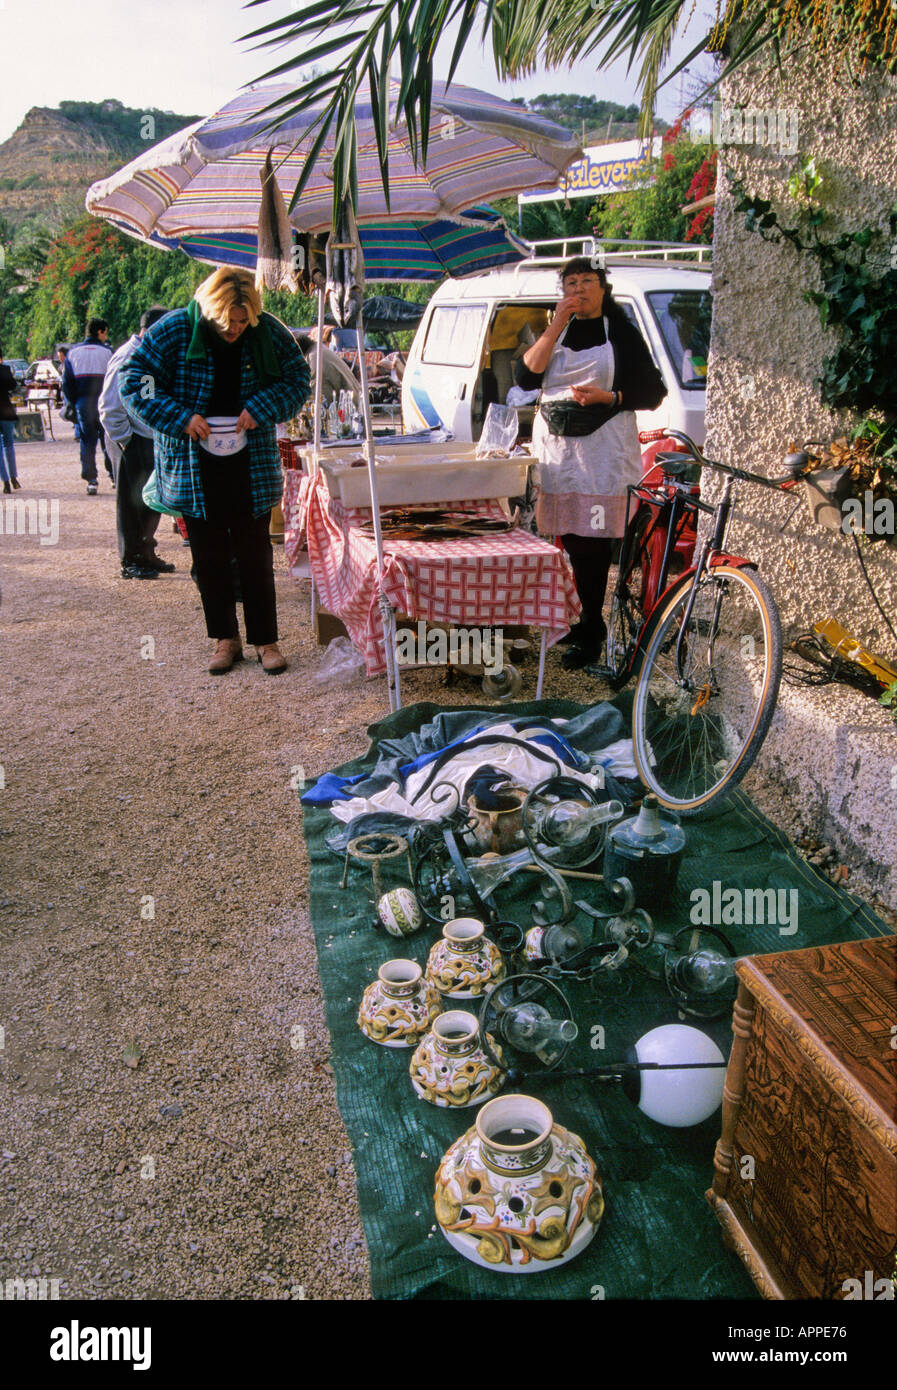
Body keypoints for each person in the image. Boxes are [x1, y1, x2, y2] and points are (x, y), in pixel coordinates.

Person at [119, 268, 311, 675]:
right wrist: (180, 417)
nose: (236, 329)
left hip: (251, 461)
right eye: (228, 322)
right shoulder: (174, 330)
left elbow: (297, 382)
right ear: (210, 310)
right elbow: (136, 382)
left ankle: (266, 641)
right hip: (192, 462)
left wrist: (261, 409)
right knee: (209, 557)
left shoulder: (267, 331)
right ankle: (226, 639)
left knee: (256, 553)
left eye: (243, 321)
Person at [517, 258, 667, 669]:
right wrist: (553, 326)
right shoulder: (554, 329)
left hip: (602, 451)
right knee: (564, 534)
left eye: (587, 281)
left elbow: (654, 391)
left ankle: (591, 626)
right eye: (571, 283)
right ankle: (573, 620)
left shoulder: (619, 331)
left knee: (592, 540)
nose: (579, 289)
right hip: (559, 449)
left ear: (603, 289)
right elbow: (527, 377)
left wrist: (612, 398)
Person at [99, 306, 174, 579]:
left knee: (149, 501)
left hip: (146, 437)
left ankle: (146, 551)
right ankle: (131, 558)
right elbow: (109, 405)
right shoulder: (127, 356)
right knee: (131, 504)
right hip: (130, 439)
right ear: (152, 330)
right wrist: (124, 440)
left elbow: (148, 396)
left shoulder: (148, 355)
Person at [63, 318, 114, 494]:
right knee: (108, 439)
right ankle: (114, 474)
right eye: (105, 332)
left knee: (87, 441)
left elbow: (66, 384)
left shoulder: (73, 352)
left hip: (83, 403)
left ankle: (91, 480)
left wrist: (73, 402)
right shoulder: (108, 352)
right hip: (104, 401)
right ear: (100, 332)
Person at [0, 351, 22, 492]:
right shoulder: (5, 369)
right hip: (6, 410)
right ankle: (14, 477)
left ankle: (5, 481)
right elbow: (14, 386)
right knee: (9, 445)